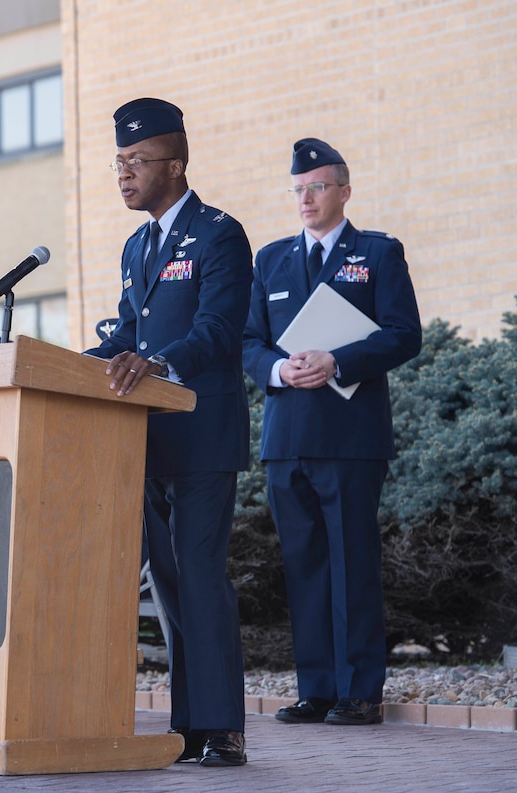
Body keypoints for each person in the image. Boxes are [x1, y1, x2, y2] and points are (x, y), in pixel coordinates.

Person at [84, 97, 252, 767]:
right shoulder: (138, 244)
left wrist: (157, 361)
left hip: (202, 430)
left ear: (175, 164)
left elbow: (217, 328)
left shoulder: (218, 234)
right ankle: (189, 724)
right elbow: (131, 329)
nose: (124, 173)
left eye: (137, 161)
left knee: (201, 574)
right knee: (171, 580)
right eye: (119, 161)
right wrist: (82, 361)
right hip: (147, 438)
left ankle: (225, 726)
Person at [243, 138, 421, 726]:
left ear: (344, 191)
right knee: (304, 567)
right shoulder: (269, 260)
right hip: (286, 440)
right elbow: (246, 342)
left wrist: (337, 360)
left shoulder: (376, 253)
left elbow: (403, 334)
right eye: (297, 189)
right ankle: (316, 690)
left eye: (316, 187)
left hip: (349, 440)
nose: (306, 199)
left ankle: (358, 692)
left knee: (351, 565)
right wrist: (277, 367)